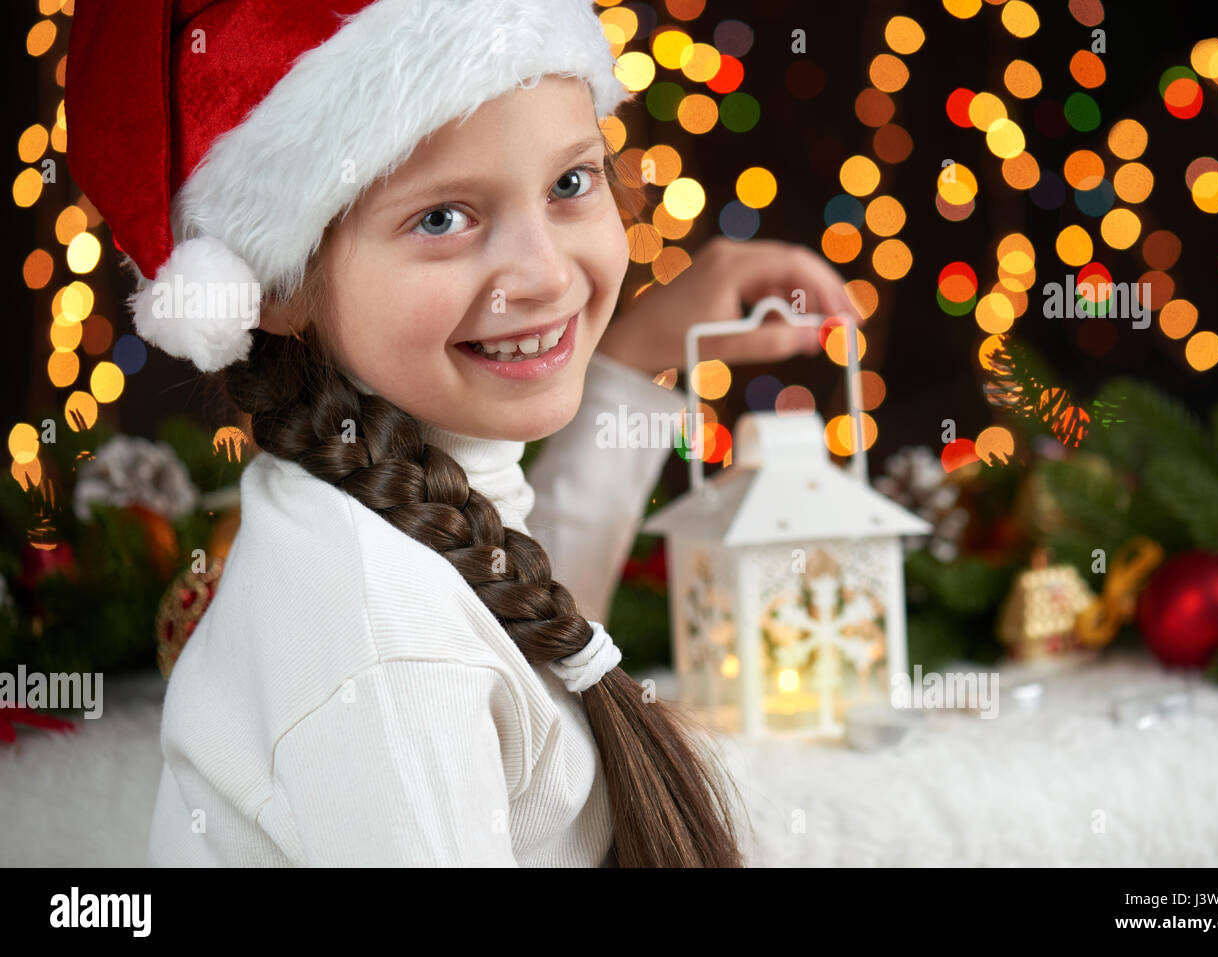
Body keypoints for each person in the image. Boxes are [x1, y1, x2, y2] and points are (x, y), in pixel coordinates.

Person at [65, 0, 857, 867]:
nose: (547, 273)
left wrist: (634, 353)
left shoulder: (384, 515)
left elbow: (528, 635)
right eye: (442, 218)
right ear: (276, 285)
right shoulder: (389, 654)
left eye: (570, 183)